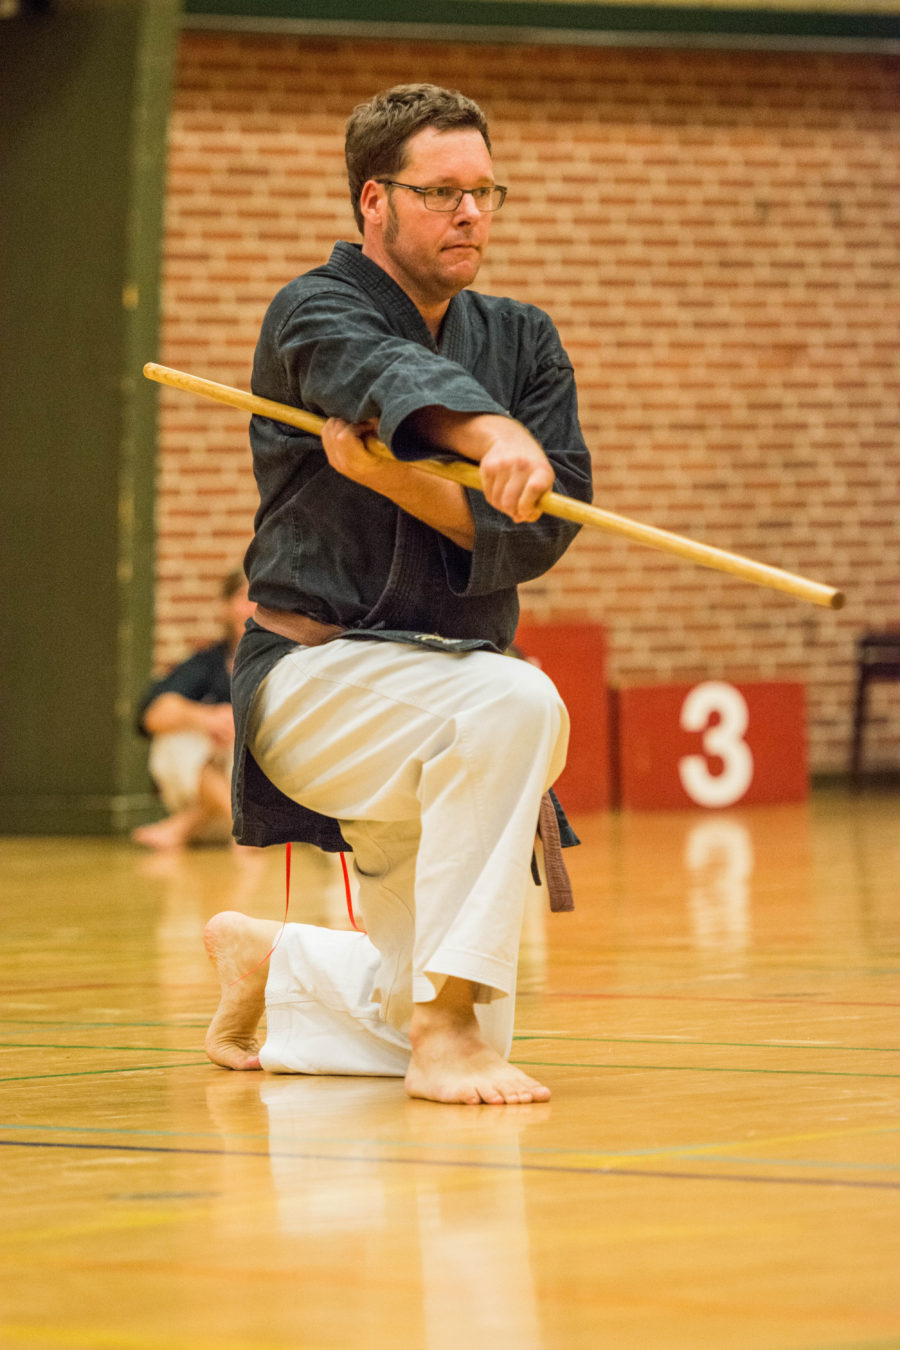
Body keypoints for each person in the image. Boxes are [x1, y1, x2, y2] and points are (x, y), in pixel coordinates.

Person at [203, 83, 594, 1105]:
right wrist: (485, 434)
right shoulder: (314, 309)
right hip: (316, 677)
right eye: (442, 193)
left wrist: (393, 480)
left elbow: (547, 526)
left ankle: (275, 961)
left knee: (417, 1008)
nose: (472, 214)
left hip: (444, 701)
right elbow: (372, 369)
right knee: (521, 700)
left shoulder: (524, 340)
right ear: (373, 200)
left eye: (486, 192)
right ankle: (447, 1027)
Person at [132, 569, 255, 850]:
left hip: (270, 798)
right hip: (215, 793)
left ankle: (188, 825)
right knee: (175, 739)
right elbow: (153, 715)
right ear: (225, 607)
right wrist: (206, 718)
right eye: (242, 598)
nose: (251, 608)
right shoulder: (207, 663)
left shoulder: (288, 662)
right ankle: (241, 824)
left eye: (260, 599)